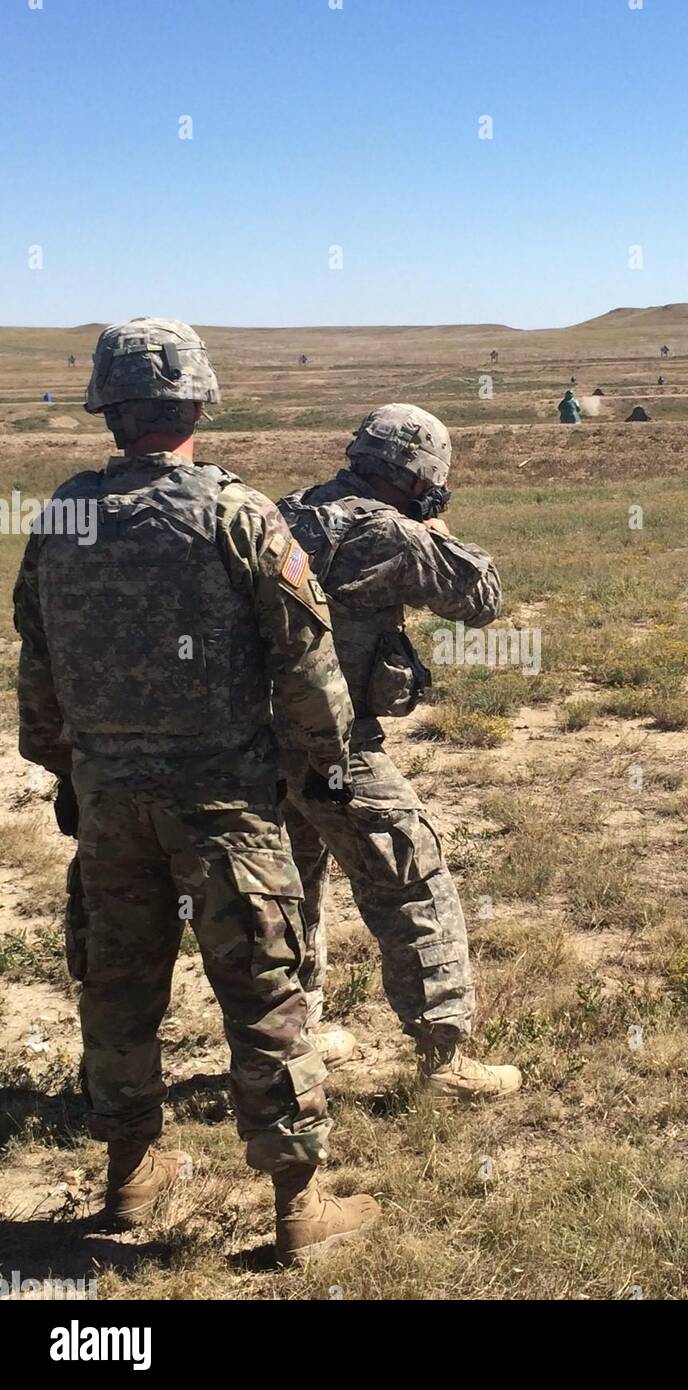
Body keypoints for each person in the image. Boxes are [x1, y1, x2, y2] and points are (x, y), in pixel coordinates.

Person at [13, 317, 377, 1265]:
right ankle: (297, 1211)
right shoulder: (239, 514)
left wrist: (74, 771)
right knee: (264, 991)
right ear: (197, 402)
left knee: (117, 989)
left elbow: (37, 670)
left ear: (111, 406)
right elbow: (306, 665)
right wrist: (321, 770)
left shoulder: (62, 516)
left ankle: (130, 1176)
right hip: (224, 806)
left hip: (109, 806)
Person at [277, 404, 521, 1100]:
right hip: (335, 747)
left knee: (293, 887)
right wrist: (432, 527)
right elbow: (481, 597)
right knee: (413, 877)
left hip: (256, 742)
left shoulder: (285, 513)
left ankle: (299, 1033)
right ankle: (444, 1060)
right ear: (422, 477)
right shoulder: (385, 530)